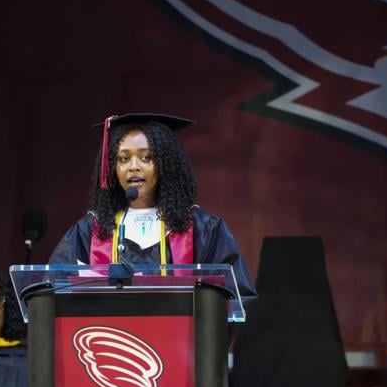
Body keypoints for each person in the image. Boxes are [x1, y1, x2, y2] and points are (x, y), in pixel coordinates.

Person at [48, 112, 256, 301]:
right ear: (112, 167)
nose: (134, 166)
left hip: (180, 341)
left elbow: (236, 296)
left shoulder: (202, 228)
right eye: (123, 159)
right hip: (108, 340)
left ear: (166, 164)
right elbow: (52, 290)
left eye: (146, 157)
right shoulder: (91, 230)